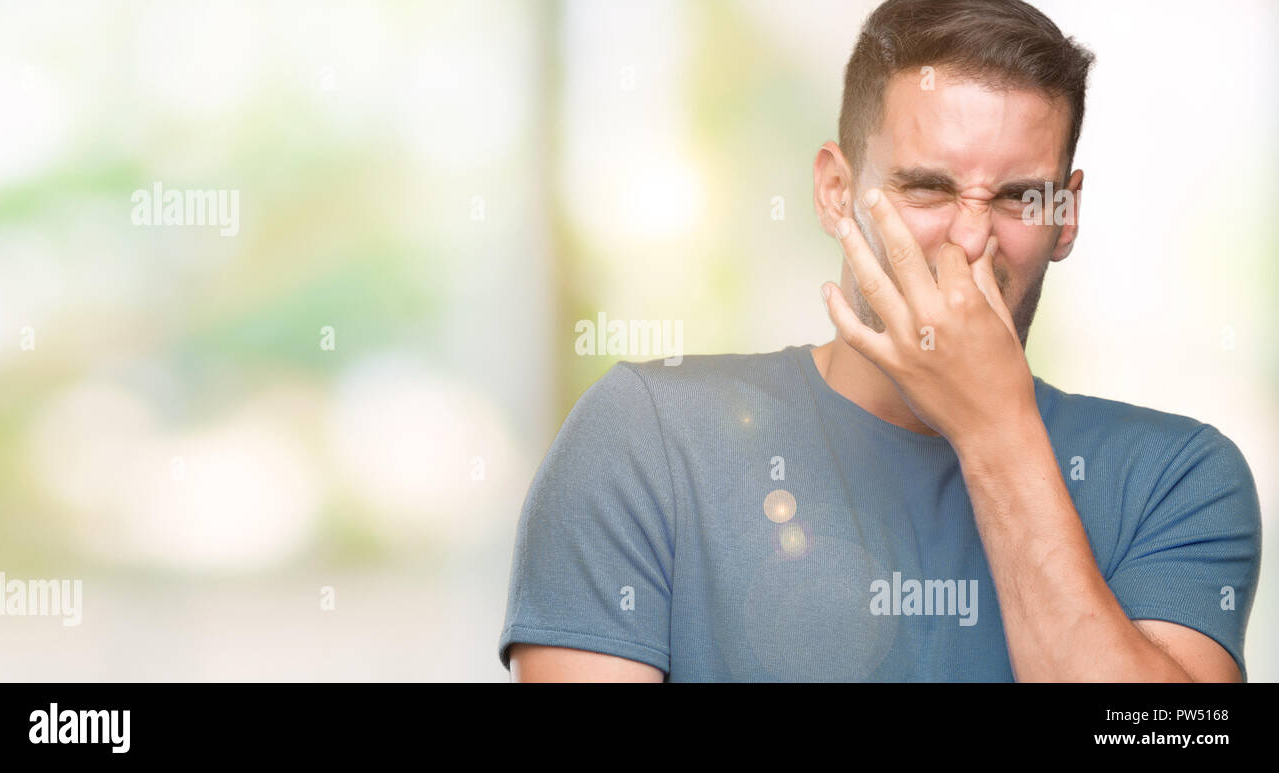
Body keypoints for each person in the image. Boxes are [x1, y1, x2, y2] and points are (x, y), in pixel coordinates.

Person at [498, 0, 1261, 681]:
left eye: (1019, 197)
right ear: (836, 191)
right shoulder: (643, 438)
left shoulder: (1179, 477)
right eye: (927, 187)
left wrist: (996, 429)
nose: (969, 239)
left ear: (1066, 215)